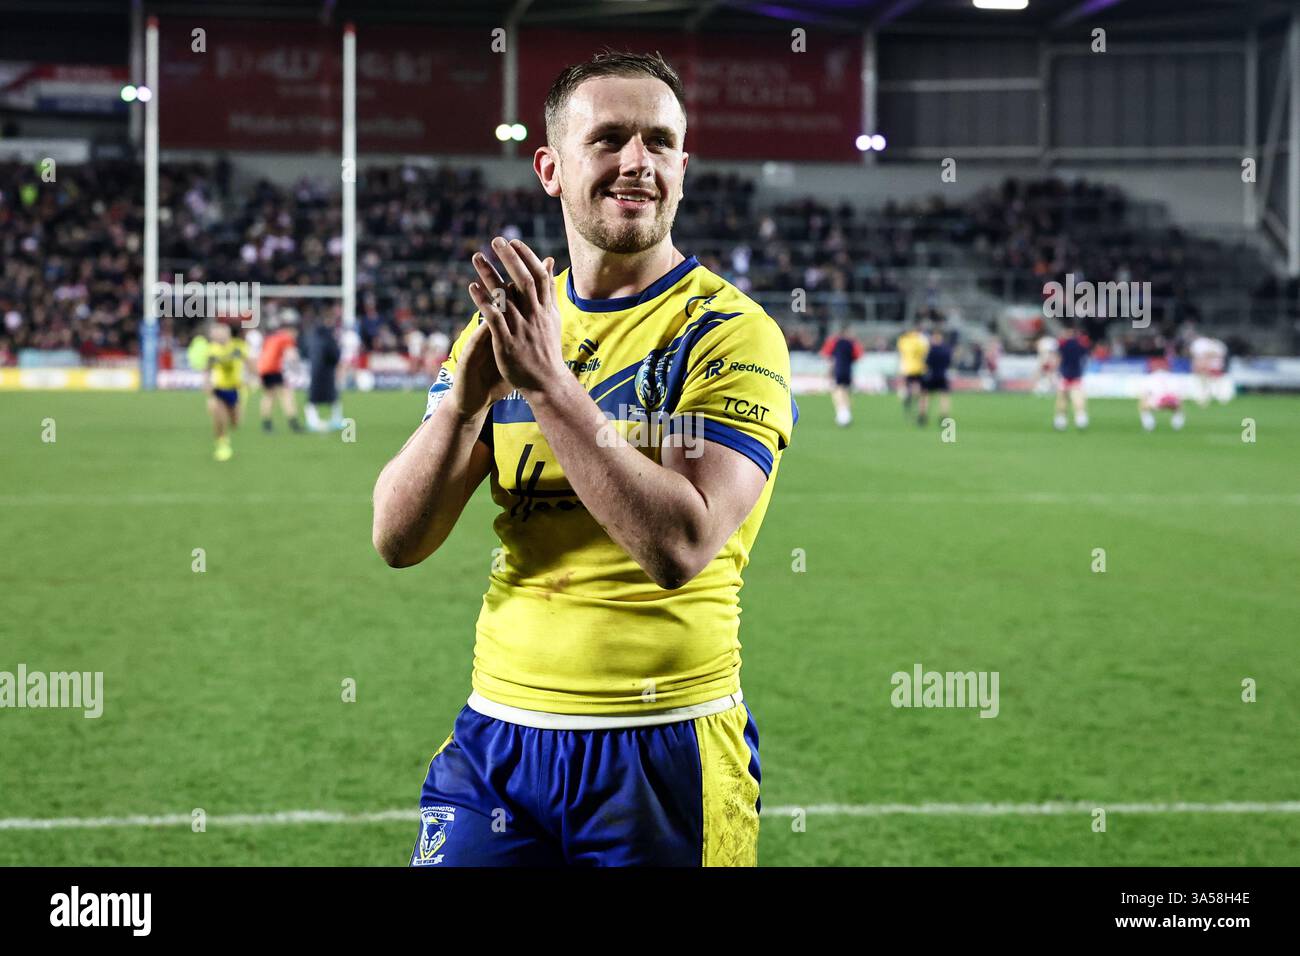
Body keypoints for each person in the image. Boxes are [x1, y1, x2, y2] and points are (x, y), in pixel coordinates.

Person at [371, 51, 794, 868]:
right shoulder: (511, 324)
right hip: (497, 741)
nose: (638, 162)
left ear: (682, 166)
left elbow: (679, 544)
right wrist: (462, 403)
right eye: (609, 139)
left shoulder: (727, 332)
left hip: (659, 749)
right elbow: (397, 539)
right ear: (552, 168)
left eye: (660, 143)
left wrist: (549, 385)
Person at [204, 321, 251, 461]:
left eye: (221, 333)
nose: (218, 336)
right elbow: (207, 369)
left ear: (228, 334)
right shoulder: (212, 350)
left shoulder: (238, 347)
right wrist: (206, 383)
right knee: (219, 417)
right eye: (216, 333)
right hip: (219, 388)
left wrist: (252, 377)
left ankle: (226, 430)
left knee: (235, 423)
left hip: (236, 388)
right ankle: (222, 445)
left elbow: (249, 363)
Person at [257, 322, 302, 432]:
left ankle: (266, 423)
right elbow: (292, 356)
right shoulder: (286, 338)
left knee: (269, 396)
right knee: (286, 395)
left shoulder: (271, 337)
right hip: (274, 369)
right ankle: (293, 423)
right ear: (291, 331)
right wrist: (297, 367)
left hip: (263, 368)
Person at [304, 319, 343, 432]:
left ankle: (312, 420)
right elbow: (335, 355)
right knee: (333, 396)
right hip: (327, 373)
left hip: (314, 372)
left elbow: (305, 353)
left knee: (313, 397)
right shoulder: (329, 341)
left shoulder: (312, 340)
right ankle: (336, 419)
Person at [820, 325, 863, 426]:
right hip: (848, 370)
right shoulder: (852, 343)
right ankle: (846, 413)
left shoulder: (834, 342)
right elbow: (858, 355)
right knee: (846, 390)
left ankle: (841, 413)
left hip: (838, 369)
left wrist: (830, 367)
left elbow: (825, 353)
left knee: (837, 390)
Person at [1054, 322, 1091, 431]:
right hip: (1076, 374)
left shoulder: (1062, 343)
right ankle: (1081, 419)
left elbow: (1058, 357)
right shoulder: (1081, 343)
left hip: (1065, 374)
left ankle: (1061, 420)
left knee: (1063, 398)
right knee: (1078, 397)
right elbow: (1085, 356)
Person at [916, 327, 952, 427]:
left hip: (930, 375)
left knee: (925, 396)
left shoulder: (930, 350)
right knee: (944, 396)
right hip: (942, 375)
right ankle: (944, 417)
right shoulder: (946, 350)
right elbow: (949, 362)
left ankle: (922, 416)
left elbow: (926, 363)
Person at [1139, 359, 1186, 432]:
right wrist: (1178, 404)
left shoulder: (1151, 377)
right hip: (1172, 401)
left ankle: (1149, 425)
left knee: (1143, 405)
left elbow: (1146, 394)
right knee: (1177, 407)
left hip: (1160, 401)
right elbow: (1179, 394)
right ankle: (1177, 424)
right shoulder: (1172, 377)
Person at [896, 321, 929, 413]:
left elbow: (901, 352)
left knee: (907, 384)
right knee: (919, 386)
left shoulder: (903, 340)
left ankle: (907, 396)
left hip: (907, 367)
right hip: (920, 367)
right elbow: (926, 353)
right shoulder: (922, 340)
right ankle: (916, 399)